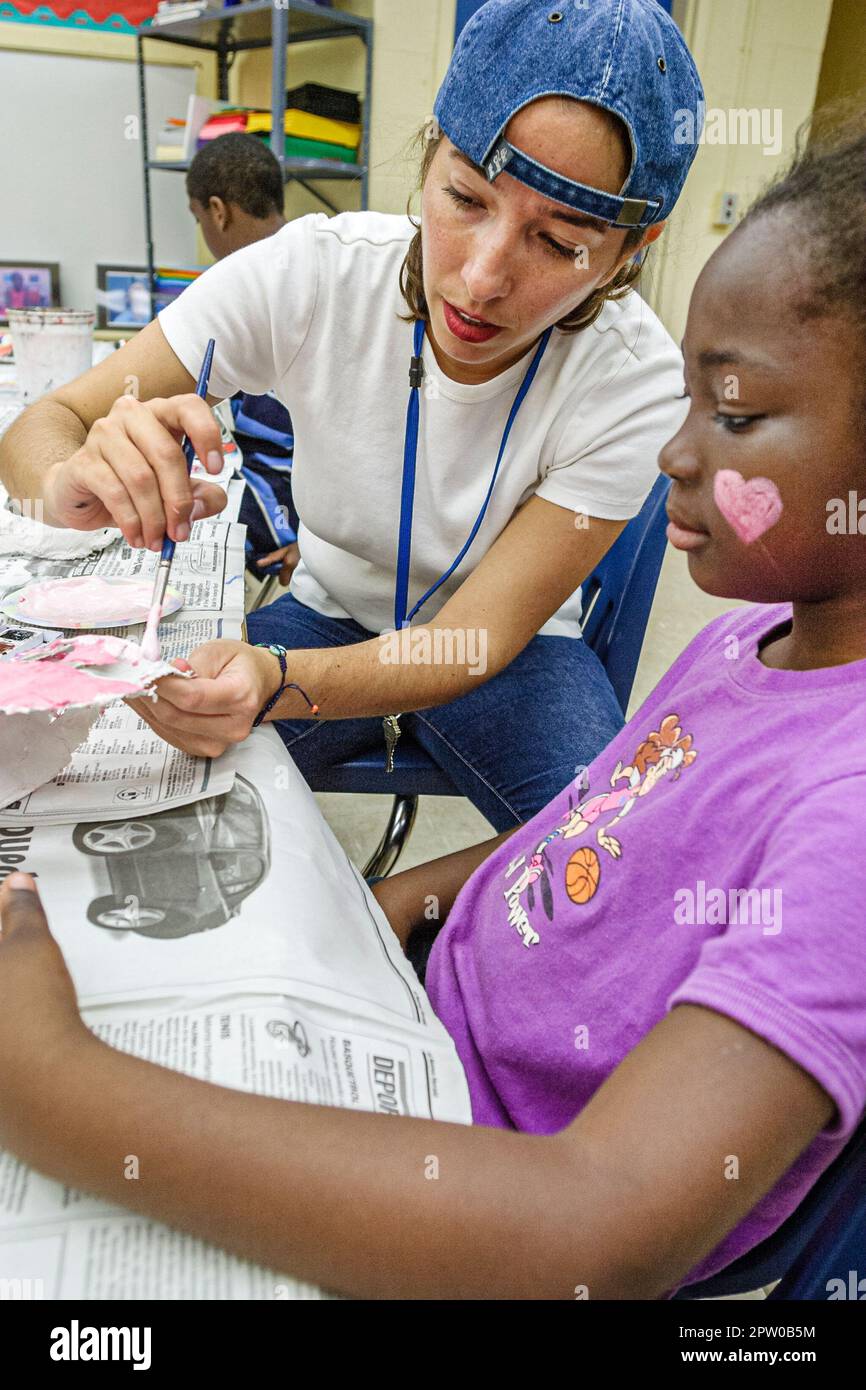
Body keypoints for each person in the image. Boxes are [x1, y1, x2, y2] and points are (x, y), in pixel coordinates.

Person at [2, 111, 865, 1300]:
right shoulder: (740, 644)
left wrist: (50, 1086)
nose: (674, 455)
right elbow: (595, 829)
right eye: (464, 200)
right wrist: (380, 913)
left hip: (471, 1161)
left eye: (734, 413)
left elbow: (597, 1233)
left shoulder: (843, 816)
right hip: (413, 1005)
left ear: (626, 253)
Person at [0, 0, 702, 829]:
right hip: (328, 615)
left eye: (557, 242)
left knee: (622, 850)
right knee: (102, 793)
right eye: (465, 199)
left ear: (631, 250)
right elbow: (51, 419)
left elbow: (475, 639)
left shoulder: (635, 378)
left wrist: (281, 684)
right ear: (430, 154)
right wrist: (70, 477)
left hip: (513, 651)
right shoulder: (315, 274)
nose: (482, 280)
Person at [187, 132, 300, 587]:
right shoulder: (298, 267)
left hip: (290, 520)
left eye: (198, 218)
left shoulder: (254, 290)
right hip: (281, 499)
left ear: (218, 211)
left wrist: (315, 547)